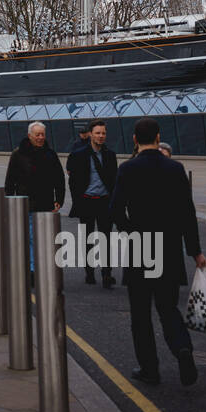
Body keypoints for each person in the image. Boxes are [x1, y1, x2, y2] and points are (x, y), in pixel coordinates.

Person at [110, 118, 205, 387]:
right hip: (169, 248)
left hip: (141, 248)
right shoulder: (175, 169)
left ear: (134, 139)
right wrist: (195, 252)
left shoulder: (128, 169)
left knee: (140, 315)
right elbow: (188, 213)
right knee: (168, 308)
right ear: (158, 136)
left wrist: (130, 232)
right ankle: (182, 349)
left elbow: (115, 210)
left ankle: (150, 369)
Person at [4, 121, 64, 275]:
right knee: (31, 238)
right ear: (29, 136)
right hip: (27, 203)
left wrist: (60, 199)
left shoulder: (50, 154)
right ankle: (32, 270)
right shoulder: (18, 154)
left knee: (45, 238)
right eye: (37, 134)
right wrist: (10, 202)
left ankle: (43, 267)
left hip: (46, 203)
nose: (40, 137)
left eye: (42, 134)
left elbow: (59, 178)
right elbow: (10, 180)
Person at [66, 119, 118, 288]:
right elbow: (73, 181)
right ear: (90, 135)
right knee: (88, 239)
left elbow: (114, 180)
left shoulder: (110, 155)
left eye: (103, 133)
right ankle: (89, 271)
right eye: (97, 133)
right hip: (87, 201)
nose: (101, 136)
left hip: (104, 202)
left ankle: (106, 273)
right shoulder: (79, 154)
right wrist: (78, 200)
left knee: (106, 239)